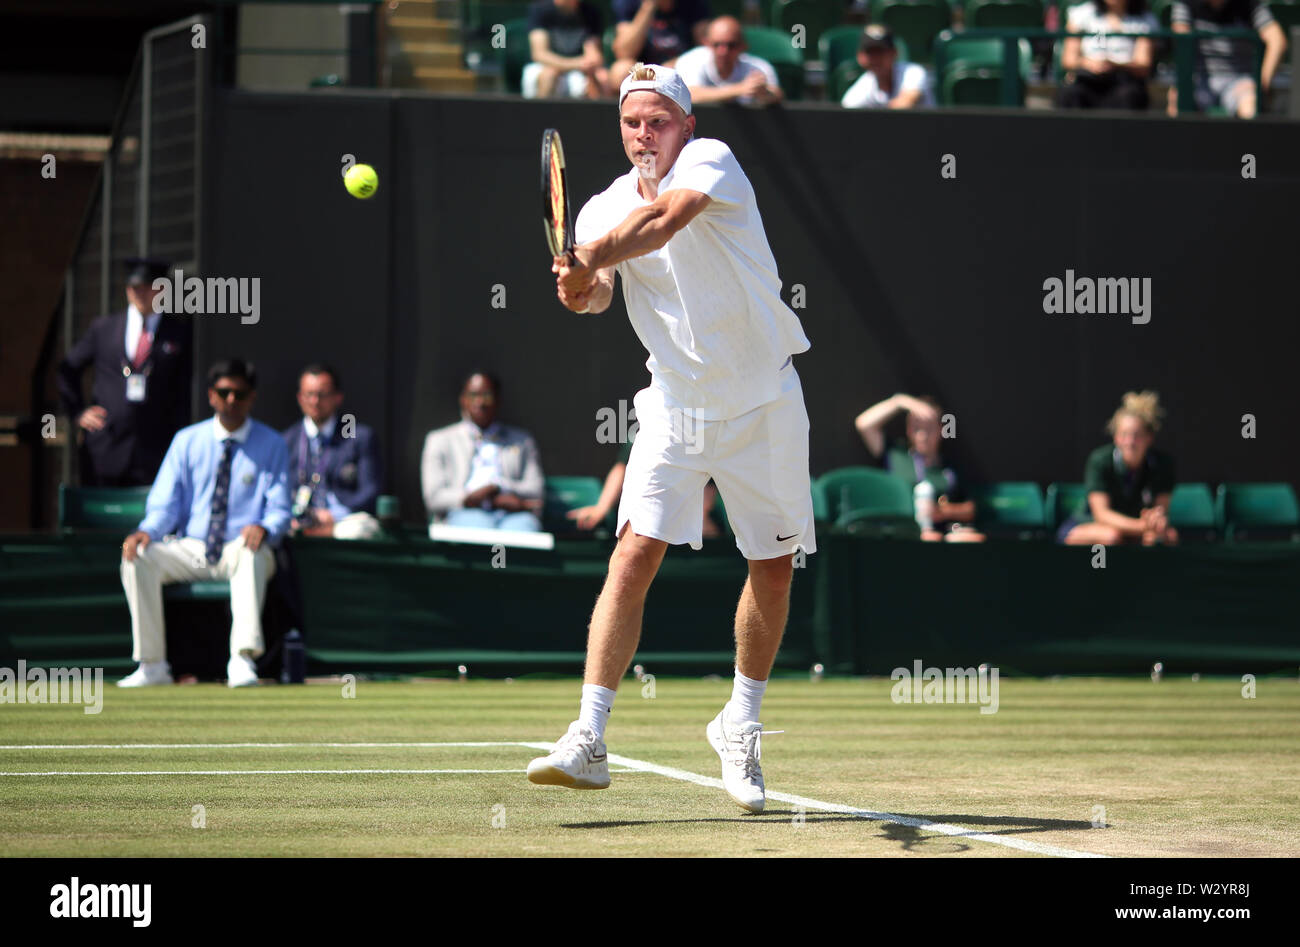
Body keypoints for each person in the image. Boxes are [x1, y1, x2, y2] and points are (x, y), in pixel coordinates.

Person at [532, 63, 813, 813]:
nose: (644, 134)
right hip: (675, 405)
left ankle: (740, 720)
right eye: (632, 122)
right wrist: (577, 287)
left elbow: (659, 224)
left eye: (658, 120)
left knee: (775, 566)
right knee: (633, 551)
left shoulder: (712, 161)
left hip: (765, 398)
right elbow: (593, 295)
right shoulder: (597, 209)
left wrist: (590, 260)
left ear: (686, 124)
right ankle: (589, 738)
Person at [117, 359, 292, 688]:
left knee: (252, 554)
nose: (231, 400)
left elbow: (281, 509)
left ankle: (242, 660)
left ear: (251, 398)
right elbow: (164, 504)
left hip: (242, 548)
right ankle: (152, 665)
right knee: (137, 555)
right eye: (224, 392)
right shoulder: (186, 441)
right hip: (193, 547)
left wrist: (265, 527)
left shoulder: (272, 444)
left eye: (239, 394)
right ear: (211, 396)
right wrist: (146, 532)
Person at [57, 257, 192, 486]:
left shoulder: (179, 333)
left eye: (146, 287)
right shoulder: (104, 328)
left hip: (156, 451)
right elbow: (67, 369)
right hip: (106, 447)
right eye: (133, 287)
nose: (139, 294)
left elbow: (184, 391)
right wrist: (78, 412)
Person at [420, 371, 545, 531]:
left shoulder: (522, 440)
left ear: (498, 400)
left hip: (512, 515)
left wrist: (500, 487)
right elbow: (433, 497)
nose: (480, 402)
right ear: (463, 400)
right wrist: (468, 497)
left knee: (524, 532)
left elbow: (536, 490)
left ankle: (503, 557)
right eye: (473, 395)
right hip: (463, 513)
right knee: (480, 534)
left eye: (486, 395)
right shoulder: (439, 440)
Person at [854, 393, 984, 542]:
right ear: (908, 430)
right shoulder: (896, 455)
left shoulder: (949, 469)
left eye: (928, 428)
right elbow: (864, 424)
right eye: (916, 428)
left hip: (940, 537)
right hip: (901, 536)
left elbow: (971, 508)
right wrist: (900, 401)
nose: (922, 435)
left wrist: (942, 511)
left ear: (941, 429)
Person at [1059, 390, 1178, 546]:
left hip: (1135, 529)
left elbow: (1160, 511)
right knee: (1110, 537)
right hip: (1089, 526)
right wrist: (1142, 526)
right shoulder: (1100, 460)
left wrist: (1156, 523)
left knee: (1167, 537)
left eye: (1137, 435)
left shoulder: (1163, 464)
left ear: (1149, 438)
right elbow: (1102, 515)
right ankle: (1099, 569)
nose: (1130, 442)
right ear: (1116, 437)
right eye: (1124, 434)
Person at [282, 363, 383, 540]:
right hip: (298, 521)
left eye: (322, 395)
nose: (315, 401)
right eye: (309, 394)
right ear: (300, 397)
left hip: (343, 521)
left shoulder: (356, 435)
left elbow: (371, 491)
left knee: (359, 530)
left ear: (337, 397)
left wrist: (333, 516)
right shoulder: (287, 440)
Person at [567, 430, 722, 536]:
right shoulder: (652, 429)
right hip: (651, 515)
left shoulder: (709, 434)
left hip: (693, 519)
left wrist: (695, 518)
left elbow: (708, 492)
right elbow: (622, 467)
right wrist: (601, 509)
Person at [1167, 0, 1287, 118]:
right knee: (1177, 99)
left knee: (1250, 105)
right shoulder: (1186, 4)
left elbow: (1277, 41)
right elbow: (1182, 41)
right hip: (1199, 79)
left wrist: (1261, 83)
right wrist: (1184, 83)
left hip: (1239, 80)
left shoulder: (1250, 4)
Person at [1058, 0, 1158, 110]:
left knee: (1130, 95)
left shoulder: (1145, 20)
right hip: (1087, 81)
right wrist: (1089, 64)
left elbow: (1143, 65)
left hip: (1124, 82)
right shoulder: (1081, 14)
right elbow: (1069, 60)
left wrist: (1115, 66)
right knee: (1071, 92)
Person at [673, 16, 782, 105]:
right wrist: (739, 89)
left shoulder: (760, 68)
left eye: (731, 45)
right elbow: (689, 95)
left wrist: (764, 93)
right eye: (717, 45)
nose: (723, 51)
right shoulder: (691, 61)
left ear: (743, 46)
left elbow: (776, 95)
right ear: (707, 44)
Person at [610, 0, 712, 89]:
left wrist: (678, 64)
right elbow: (623, 52)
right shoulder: (629, 3)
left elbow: (704, 48)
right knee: (620, 70)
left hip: (680, 66)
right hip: (644, 69)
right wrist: (649, 6)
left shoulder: (694, 3)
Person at [523, 0, 611, 99]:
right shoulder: (540, 10)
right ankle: (539, 113)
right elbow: (539, 54)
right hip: (544, 66)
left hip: (578, 70)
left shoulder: (591, 12)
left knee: (602, 77)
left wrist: (592, 64)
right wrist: (576, 63)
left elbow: (593, 52)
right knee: (549, 75)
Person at [840, 26, 934, 109]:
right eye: (870, 53)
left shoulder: (914, 72)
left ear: (894, 53)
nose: (876, 59)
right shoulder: (861, 89)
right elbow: (847, 111)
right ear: (860, 57)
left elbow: (906, 103)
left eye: (881, 52)